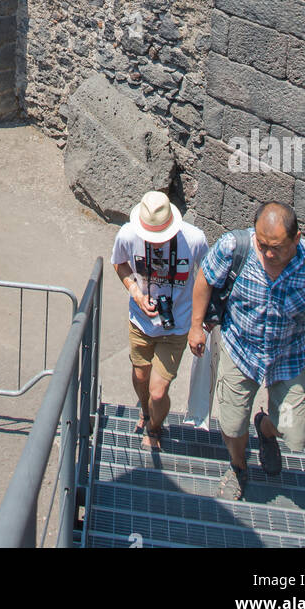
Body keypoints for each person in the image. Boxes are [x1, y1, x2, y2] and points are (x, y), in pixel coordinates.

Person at [189, 201, 305, 500]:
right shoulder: (234, 247)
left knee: (294, 432)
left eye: (277, 247)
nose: (269, 253)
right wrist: (196, 325)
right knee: (232, 427)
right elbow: (205, 278)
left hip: (287, 356)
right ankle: (238, 467)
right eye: (263, 245)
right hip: (240, 349)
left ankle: (266, 428)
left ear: (296, 239)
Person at [112, 191, 209, 448]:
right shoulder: (128, 235)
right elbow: (119, 263)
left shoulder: (194, 239)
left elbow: (207, 277)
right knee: (141, 376)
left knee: (158, 390)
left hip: (177, 325)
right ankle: (145, 413)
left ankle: (155, 428)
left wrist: (199, 323)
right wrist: (136, 291)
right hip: (141, 322)